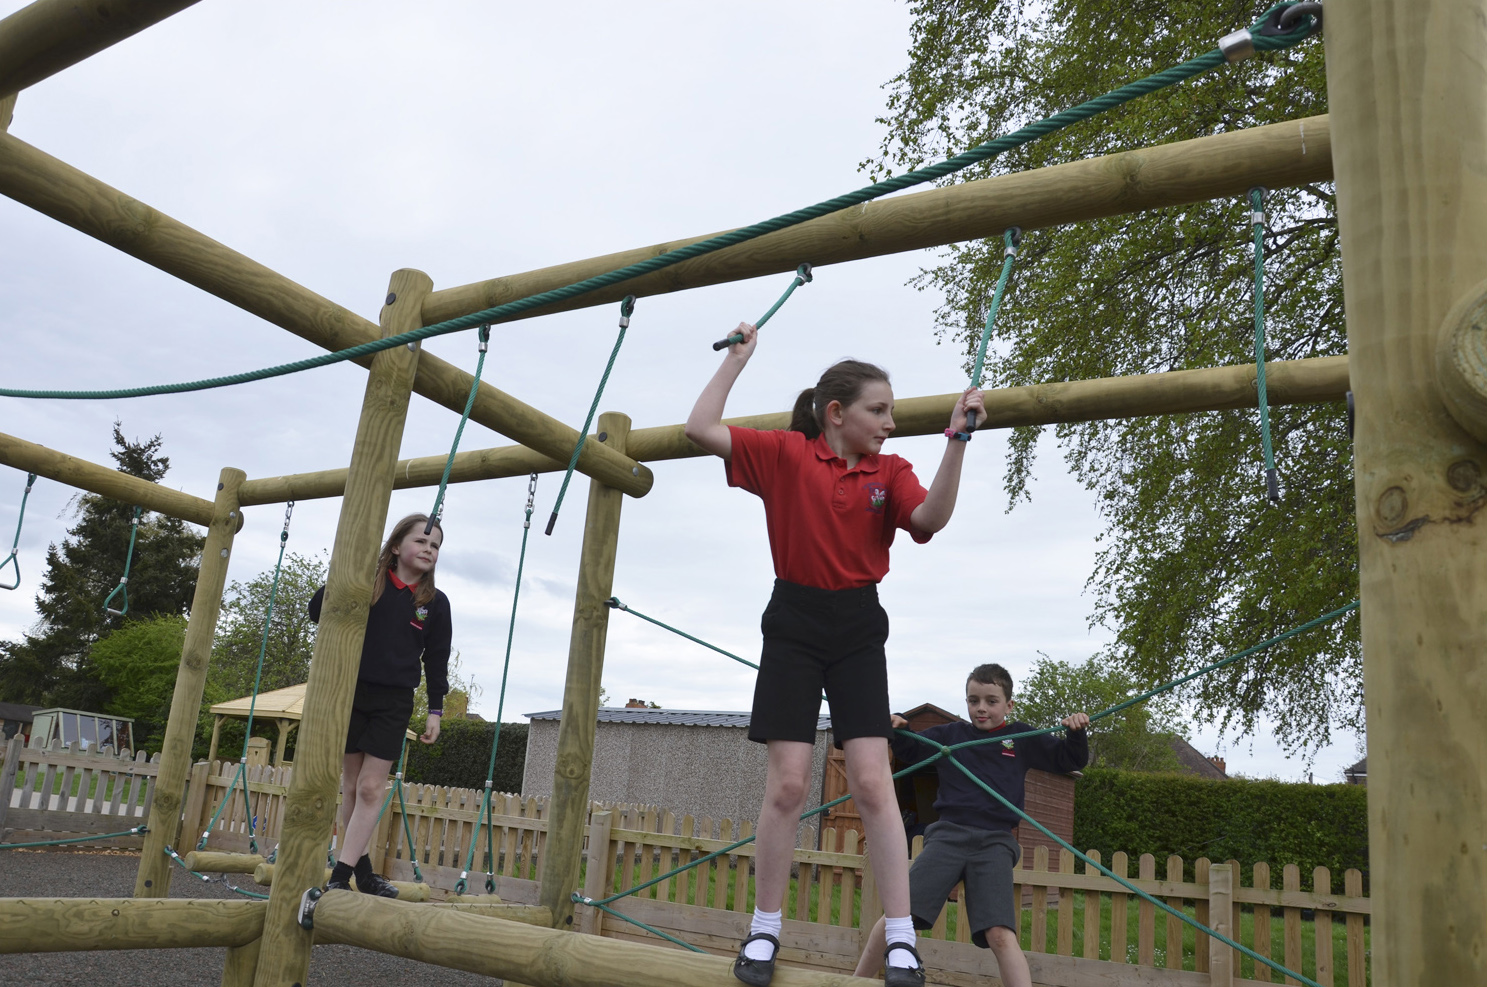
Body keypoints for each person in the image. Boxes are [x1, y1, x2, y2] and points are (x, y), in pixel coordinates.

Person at [684, 321, 985, 987]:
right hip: (792, 619)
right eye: (879, 410)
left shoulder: (891, 471)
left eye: (893, 412)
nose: (889, 422)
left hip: (855, 623)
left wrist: (956, 441)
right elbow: (698, 427)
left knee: (875, 784)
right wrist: (738, 359)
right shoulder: (787, 455)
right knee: (788, 783)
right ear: (836, 413)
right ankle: (764, 929)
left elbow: (930, 518)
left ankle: (902, 941)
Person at [853, 663, 1089, 987]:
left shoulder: (1021, 737)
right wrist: (898, 727)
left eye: (991, 701)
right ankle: (855, 981)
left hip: (995, 842)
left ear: (1009, 705)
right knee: (898, 917)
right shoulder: (951, 736)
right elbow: (910, 748)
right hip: (948, 836)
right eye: (973, 700)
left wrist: (1076, 733)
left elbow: (1069, 760)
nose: (981, 708)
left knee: (1000, 934)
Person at [308, 513, 451, 897]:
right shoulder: (367, 584)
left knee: (372, 788)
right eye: (421, 541)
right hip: (351, 693)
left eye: (435, 545)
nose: (428, 549)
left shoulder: (434, 603)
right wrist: (345, 571)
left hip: (394, 701)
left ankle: (339, 876)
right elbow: (317, 612)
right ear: (395, 547)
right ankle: (364, 871)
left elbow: (436, 660)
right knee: (352, 788)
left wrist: (435, 711)